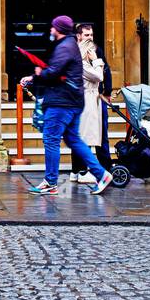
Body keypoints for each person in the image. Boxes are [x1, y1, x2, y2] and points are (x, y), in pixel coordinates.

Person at [23, 15, 113, 196]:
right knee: (74, 140)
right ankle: (101, 174)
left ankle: (50, 182)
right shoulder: (71, 46)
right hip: (72, 101)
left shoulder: (64, 47)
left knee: (51, 139)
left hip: (61, 102)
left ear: (59, 29)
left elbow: (55, 72)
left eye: (53, 28)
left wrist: (37, 75)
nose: (50, 30)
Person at [70, 22, 112, 184]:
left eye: (92, 35)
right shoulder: (77, 54)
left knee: (99, 134)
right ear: (79, 36)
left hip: (95, 97)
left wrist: (107, 91)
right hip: (85, 98)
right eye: (87, 35)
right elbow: (99, 74)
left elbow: (106, 71)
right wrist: (97, 62)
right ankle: (81, 170)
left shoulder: (95, 49)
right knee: (83, 135)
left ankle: (102, 166)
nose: (90, 38)